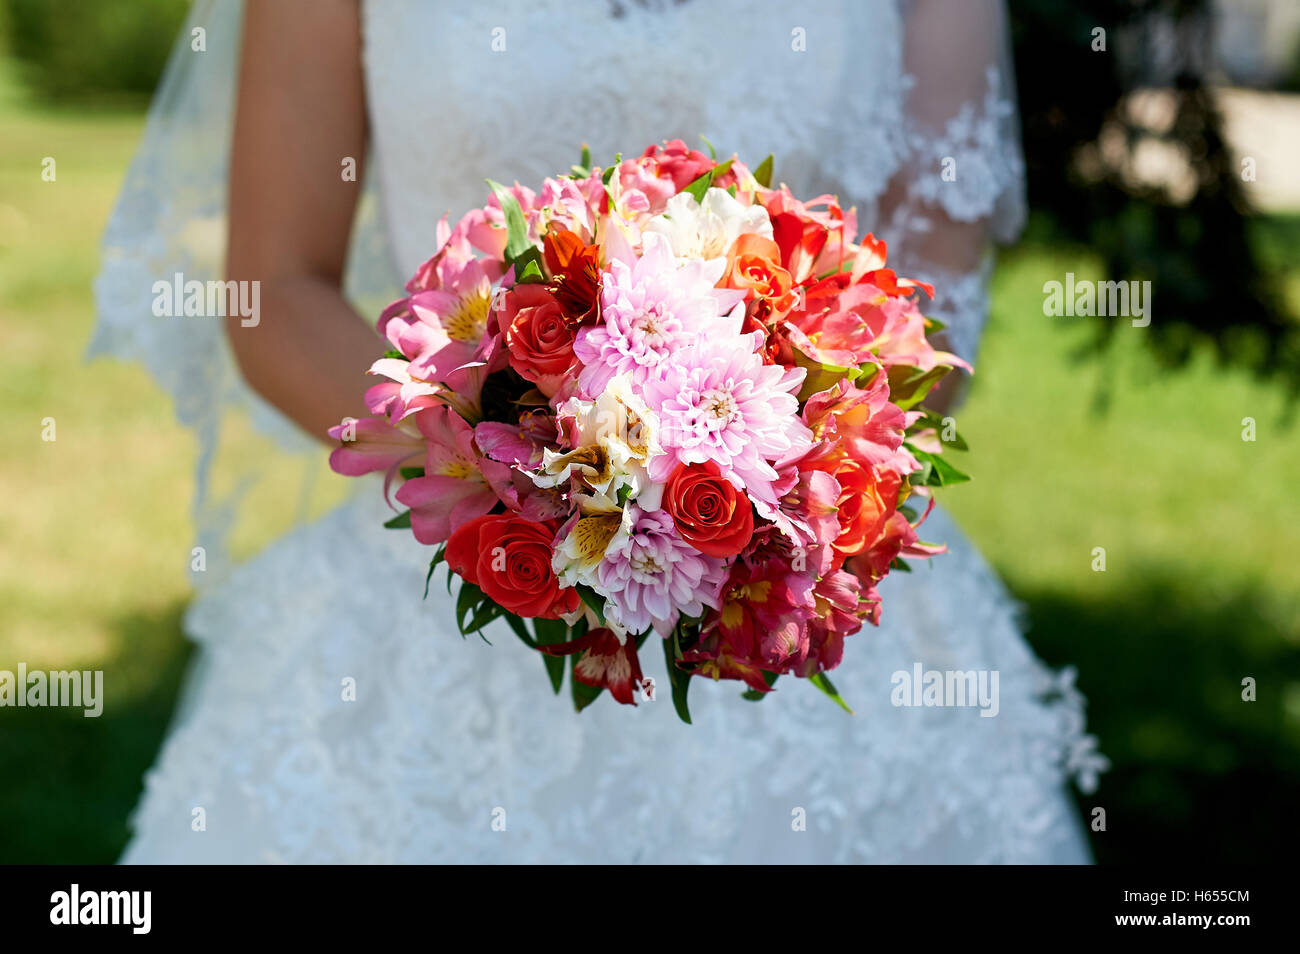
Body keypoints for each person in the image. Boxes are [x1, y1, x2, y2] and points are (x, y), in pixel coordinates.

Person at [94, 0, 1105, 863]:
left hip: (787, 588)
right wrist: (513, 480)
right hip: (453, 571)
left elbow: (932, 306)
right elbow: (276, 291)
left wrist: (741, 495)